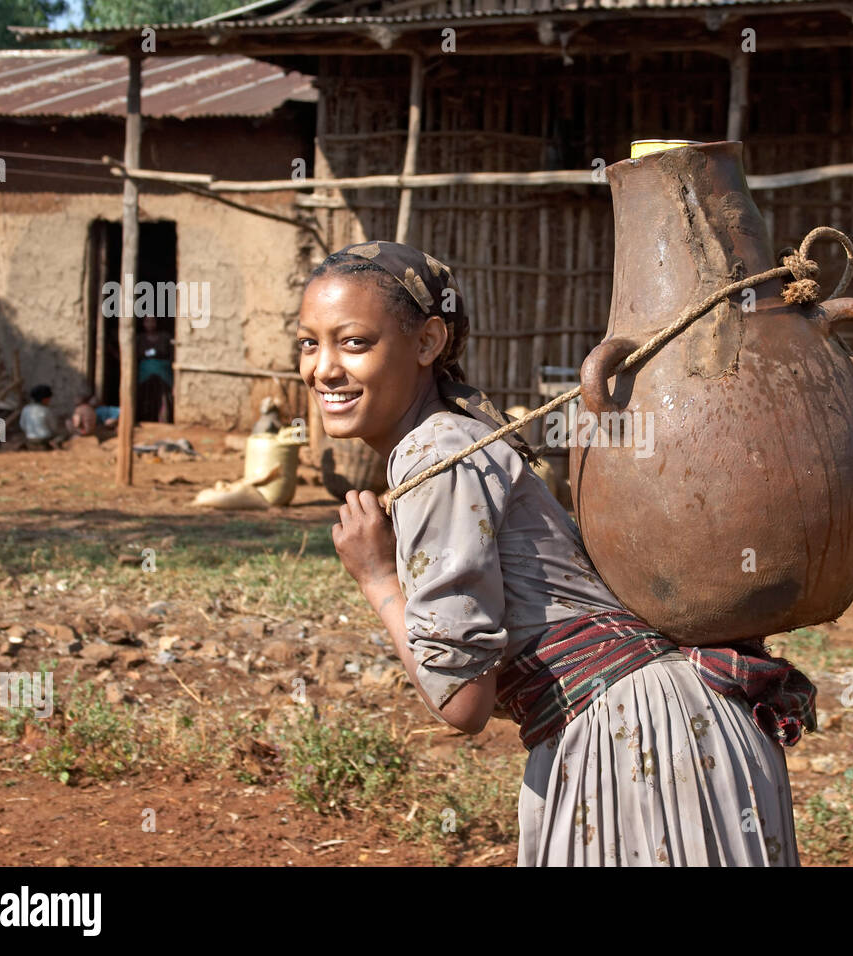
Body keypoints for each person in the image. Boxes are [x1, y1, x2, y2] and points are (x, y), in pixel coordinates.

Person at [302, 241, 814, 866]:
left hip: (637, 740)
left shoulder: (434, 455)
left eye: (353, 342)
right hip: (665, 726)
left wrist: (378, 577)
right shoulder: (453, 442)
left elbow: (462, 702)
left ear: (428, 341)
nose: (323, 368)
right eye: (309, 344)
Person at [137, 315, 173, 423]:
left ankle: (164, 418)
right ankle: (145, 418)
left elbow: (170, 354)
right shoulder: (140, 338)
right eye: (147, 321)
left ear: (157, 323)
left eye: (152, 321)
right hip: (145, 373)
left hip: (163, 372)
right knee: (146, 394)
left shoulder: (165, 337)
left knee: (163, 396)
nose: (150, 324)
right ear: (143, 323)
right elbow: (137, 355)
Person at [19, 385, 67, 450]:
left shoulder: (26, 409)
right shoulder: (46, 410)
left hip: (30, 438)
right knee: (63, 435)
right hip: (44, 439)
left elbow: (22, 425)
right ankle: (54, 443)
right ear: (45, 399)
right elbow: (53, 427)